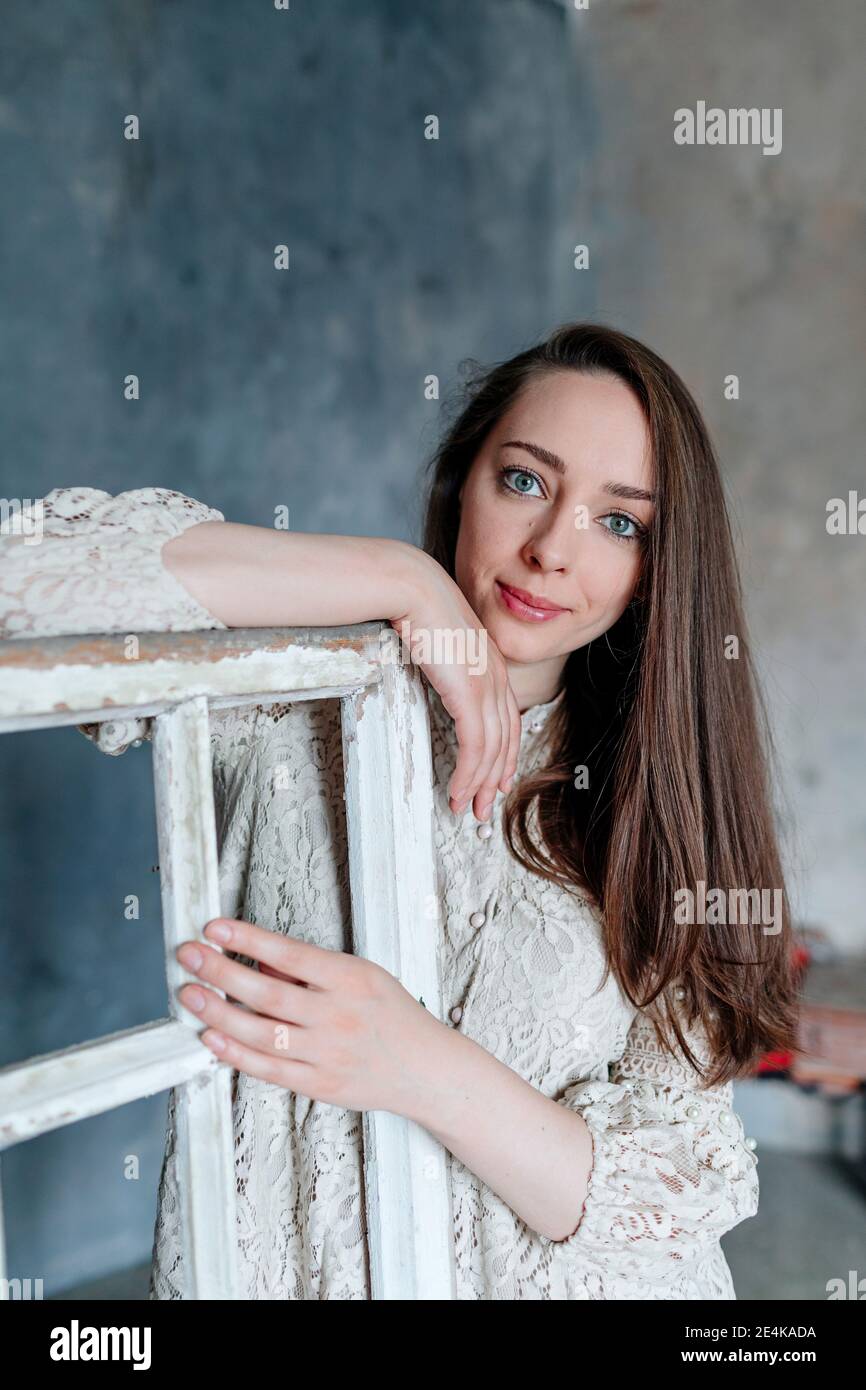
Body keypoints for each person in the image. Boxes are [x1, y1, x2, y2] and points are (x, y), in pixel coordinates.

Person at [0, 322, 798, 1300]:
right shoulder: (291, 698)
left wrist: (417, 1062)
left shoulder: (656, 802)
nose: (550, 549)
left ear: (655, 570)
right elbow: (25, 575)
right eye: (523, 481)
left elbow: (675, 1203)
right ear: (461, 482)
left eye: (617, 521)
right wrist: (399, 580)